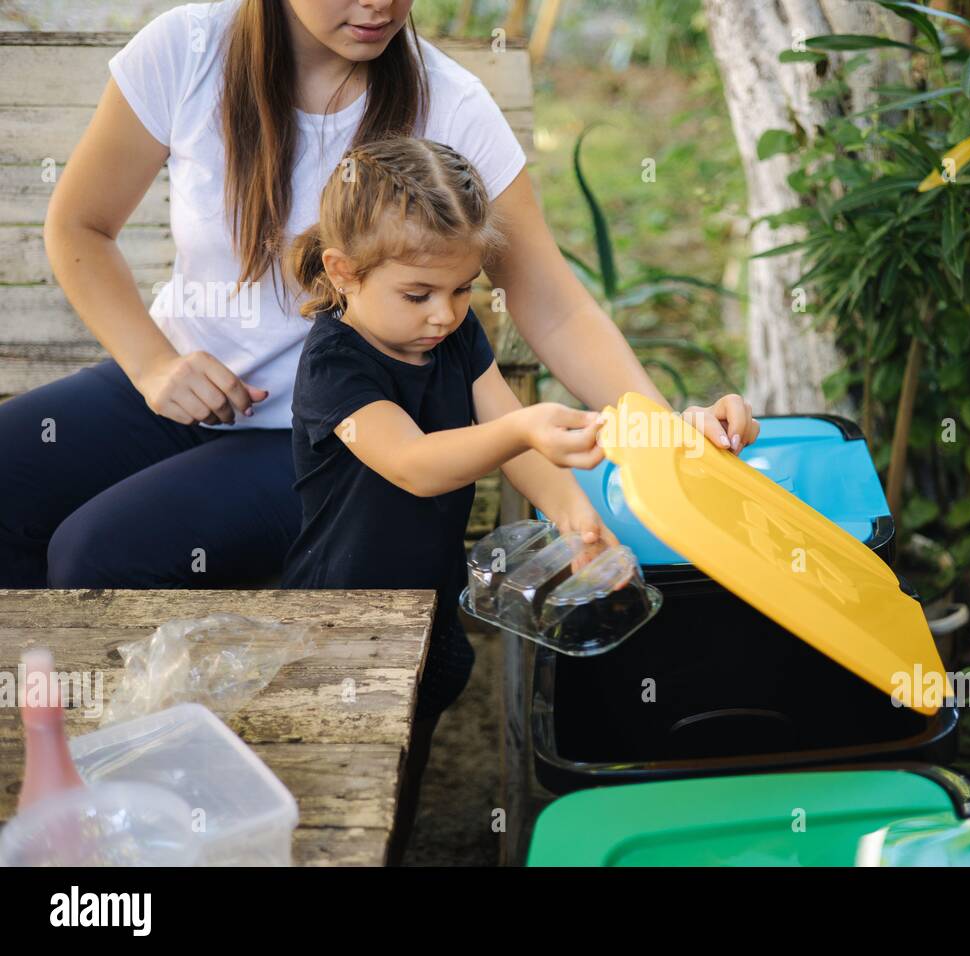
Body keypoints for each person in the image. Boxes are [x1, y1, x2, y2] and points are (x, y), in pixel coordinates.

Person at [1, 0, 757, 588]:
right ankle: (44, 738)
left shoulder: (451, 106)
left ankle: (170, 764)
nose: (379, 8)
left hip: (339, 432)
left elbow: (553, 303)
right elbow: (80, 226)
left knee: (96, 552)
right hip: (186, 384)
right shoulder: (187, 51)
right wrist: (153, 365)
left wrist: (664, 438)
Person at [281, 135, 617, 765]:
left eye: (463, 289)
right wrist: (521, 431)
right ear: (343, 272)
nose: (445, 313)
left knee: (411, 753)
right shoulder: (335, 366)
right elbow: (414, 466)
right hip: (343, 608)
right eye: (419, 295)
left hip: (431, 592)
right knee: (348, 765)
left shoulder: (456, 334)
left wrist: (572, 514)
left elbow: (511, 433)